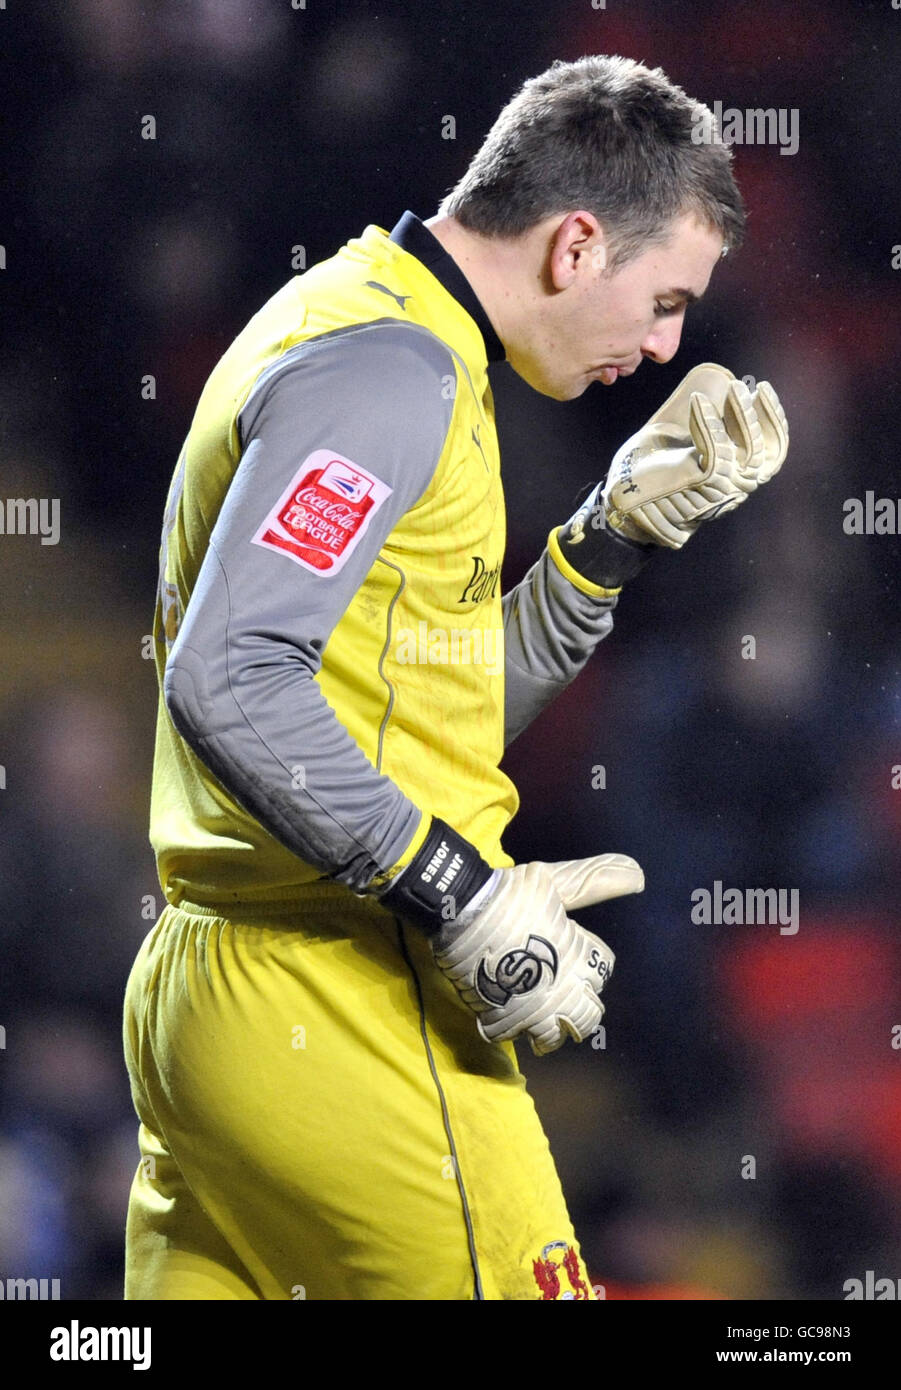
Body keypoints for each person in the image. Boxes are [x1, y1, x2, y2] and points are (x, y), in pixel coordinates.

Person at [122, 53, 787, 1301]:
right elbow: (230, 676)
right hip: (345, 995)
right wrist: (459, 890)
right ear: (575, 244)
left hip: (212, 1001)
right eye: (665, 301)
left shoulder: (364, 324)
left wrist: (605, 541)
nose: (664, 349)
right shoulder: (396, 374)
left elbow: (420, 701)